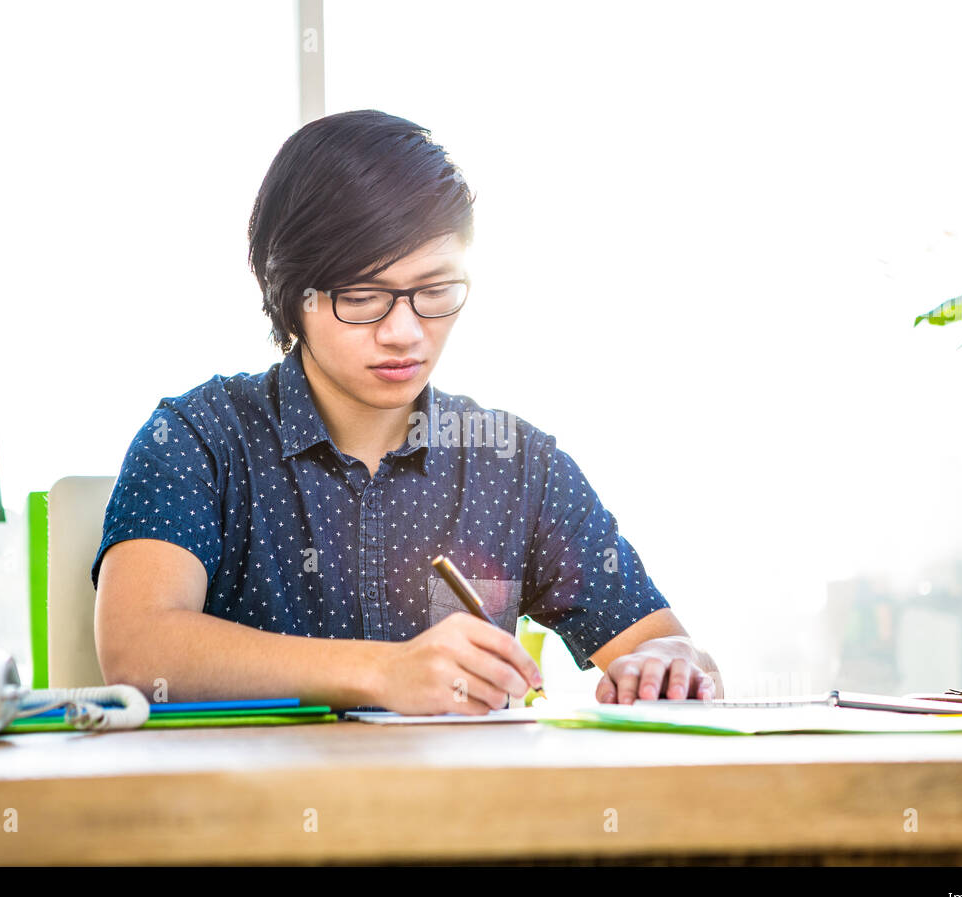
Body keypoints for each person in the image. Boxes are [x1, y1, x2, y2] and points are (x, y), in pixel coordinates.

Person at [91, 109, 722, 714]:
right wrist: (383, 671)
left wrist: (671, 662)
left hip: (460, 816)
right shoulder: (198, 438)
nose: (404, 333)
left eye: (436, 291)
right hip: (252, 813)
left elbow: (662, 648)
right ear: (289, 294)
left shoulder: (519, 464)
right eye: (362, 296)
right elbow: (140, 650)